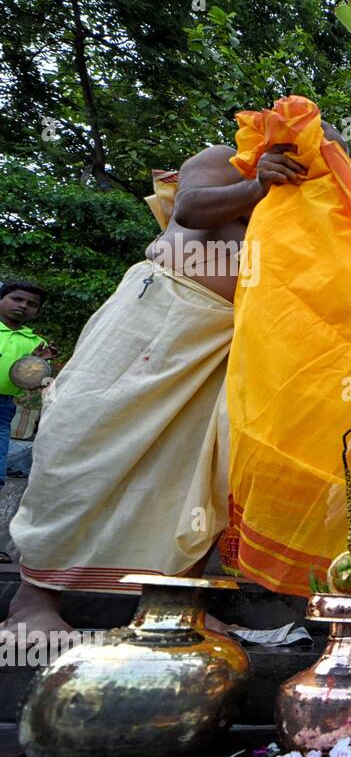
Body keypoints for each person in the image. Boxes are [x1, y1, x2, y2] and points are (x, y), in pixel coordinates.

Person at [2, 129, 312, 643]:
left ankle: (174, 604)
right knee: (86, 439)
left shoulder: (319, 208)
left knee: (204, 472)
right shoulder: (228, 162)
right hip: (160, 315)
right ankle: (33, 600)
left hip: (237, 342)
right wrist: (254, 187)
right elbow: (189, 209)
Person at [0, 282, 55, 488]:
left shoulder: (36, 343)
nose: (23, 305)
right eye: (17, 299)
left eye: (31, 304)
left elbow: (33, 383)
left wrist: (37, 363)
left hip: (2, 406)